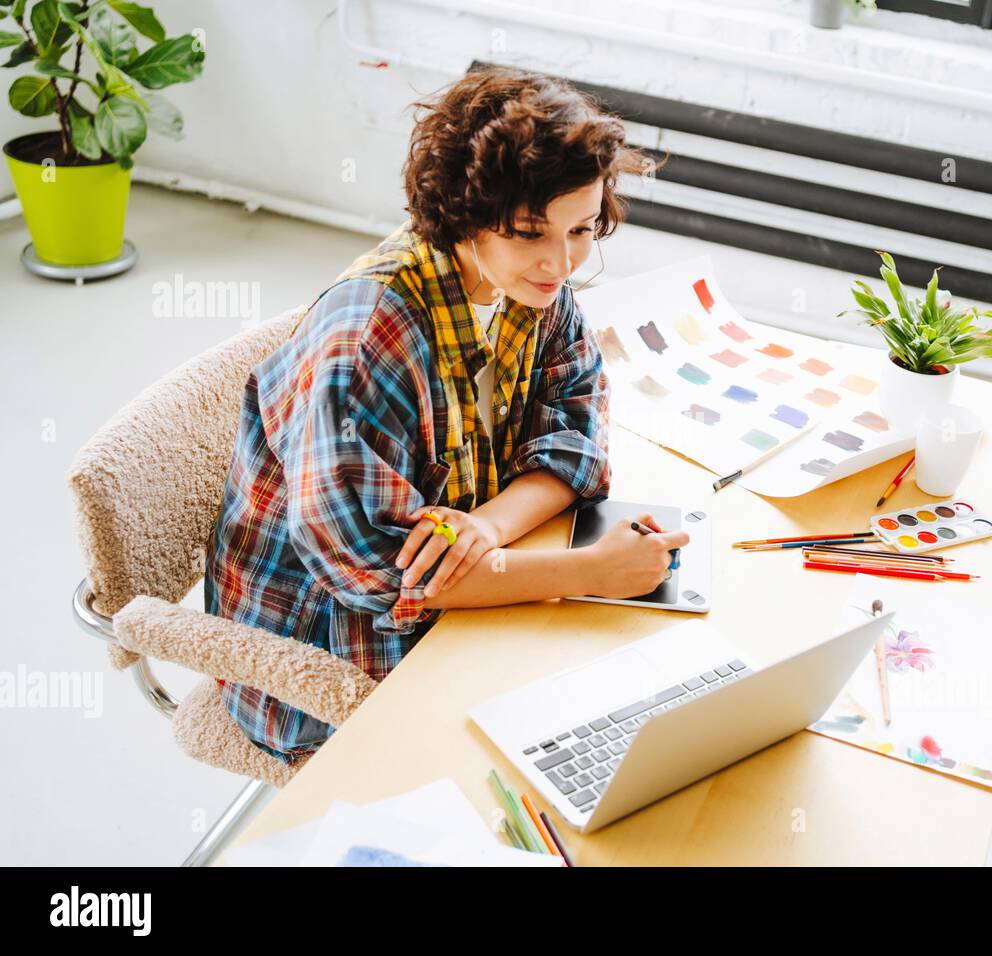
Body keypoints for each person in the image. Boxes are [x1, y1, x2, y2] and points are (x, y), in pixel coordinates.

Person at [204, 65, 688, 765]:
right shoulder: (371, 335)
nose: (562, 262)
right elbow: (382, 576)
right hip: (324, 658)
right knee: (587, 732)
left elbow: (577, 433)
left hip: (459, 587)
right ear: (465, 215)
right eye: (530, 233)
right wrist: (585, 572)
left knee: (639, 700)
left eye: (581, 229)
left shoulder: (531, 285)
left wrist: (484, 529)